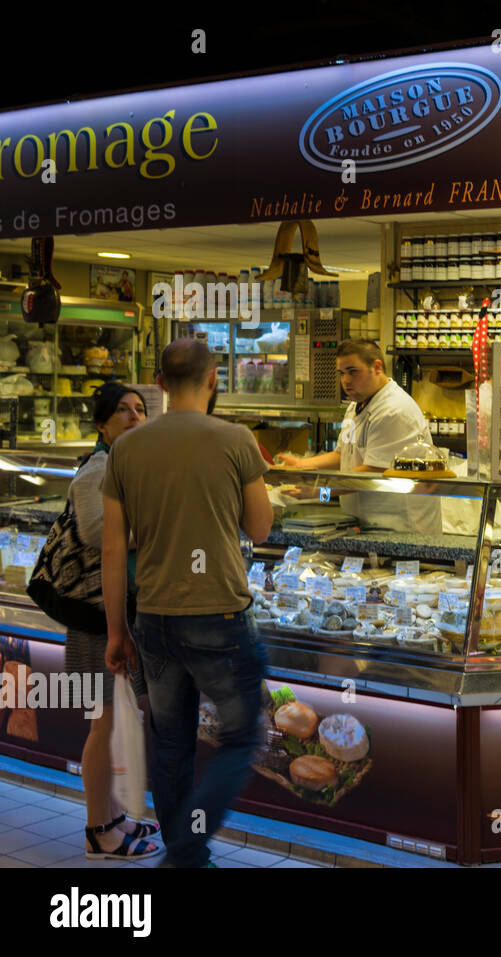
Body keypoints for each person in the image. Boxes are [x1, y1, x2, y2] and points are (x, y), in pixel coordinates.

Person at [103, 338, 274, 868]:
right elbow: (260, 527)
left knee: (171, 747)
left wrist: (117, 632)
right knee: (244, 736)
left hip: (153, 617)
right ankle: (186, 851)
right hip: (220, 613)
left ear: (158, 385)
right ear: (214, 379)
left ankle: (185, 856)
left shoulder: (127, 447)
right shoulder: (236, 439)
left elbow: (112, 548)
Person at [64, 384, 160, 859]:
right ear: (102, 425)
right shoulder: (96, 470)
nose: (134, 416)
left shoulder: (130, 467)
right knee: (101, 724)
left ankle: (114, 817)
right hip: (93, 618)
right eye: (122, 411)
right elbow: (98, 532)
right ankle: (98, 831)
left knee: (119, 718)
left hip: (121, 614)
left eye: (140, 409)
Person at [278, 340, 435, 530]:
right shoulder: (355, 406)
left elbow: (371, 472)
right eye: (341, 373)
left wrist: (319, 492)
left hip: (399, 526)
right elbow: (342, 454)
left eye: (353, 371)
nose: (345, 380)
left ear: (376, 367)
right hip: (365, 523)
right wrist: (301, 465)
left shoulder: (393, 411)